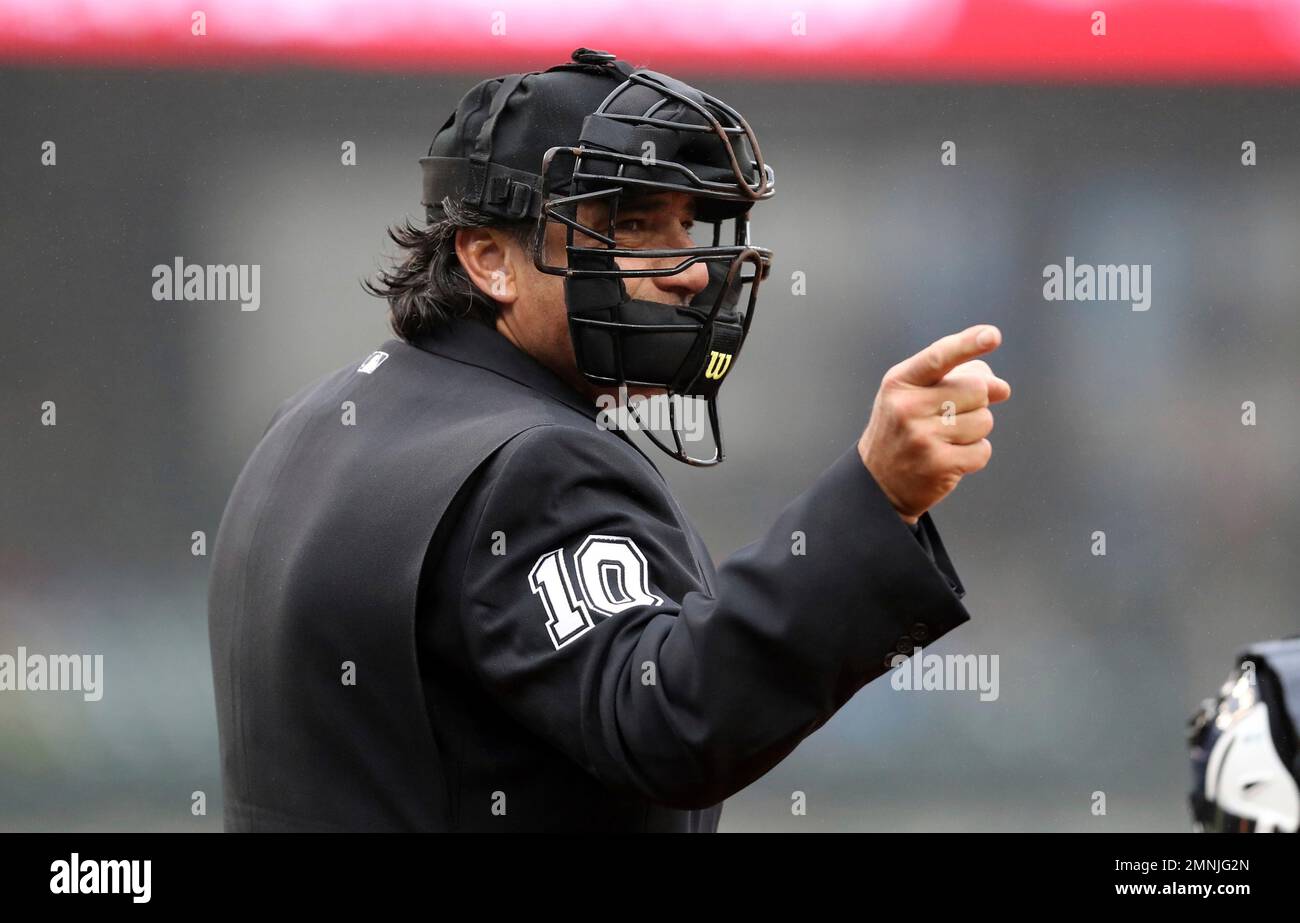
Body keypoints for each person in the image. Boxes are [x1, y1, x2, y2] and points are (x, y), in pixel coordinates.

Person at [207, 48, 1011, 832]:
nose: (690, 269)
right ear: (490, 257)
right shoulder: (533, 463)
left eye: (686, 223)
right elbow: (667, 716)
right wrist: (876, 497)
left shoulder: (309, 421)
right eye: (631, 222)